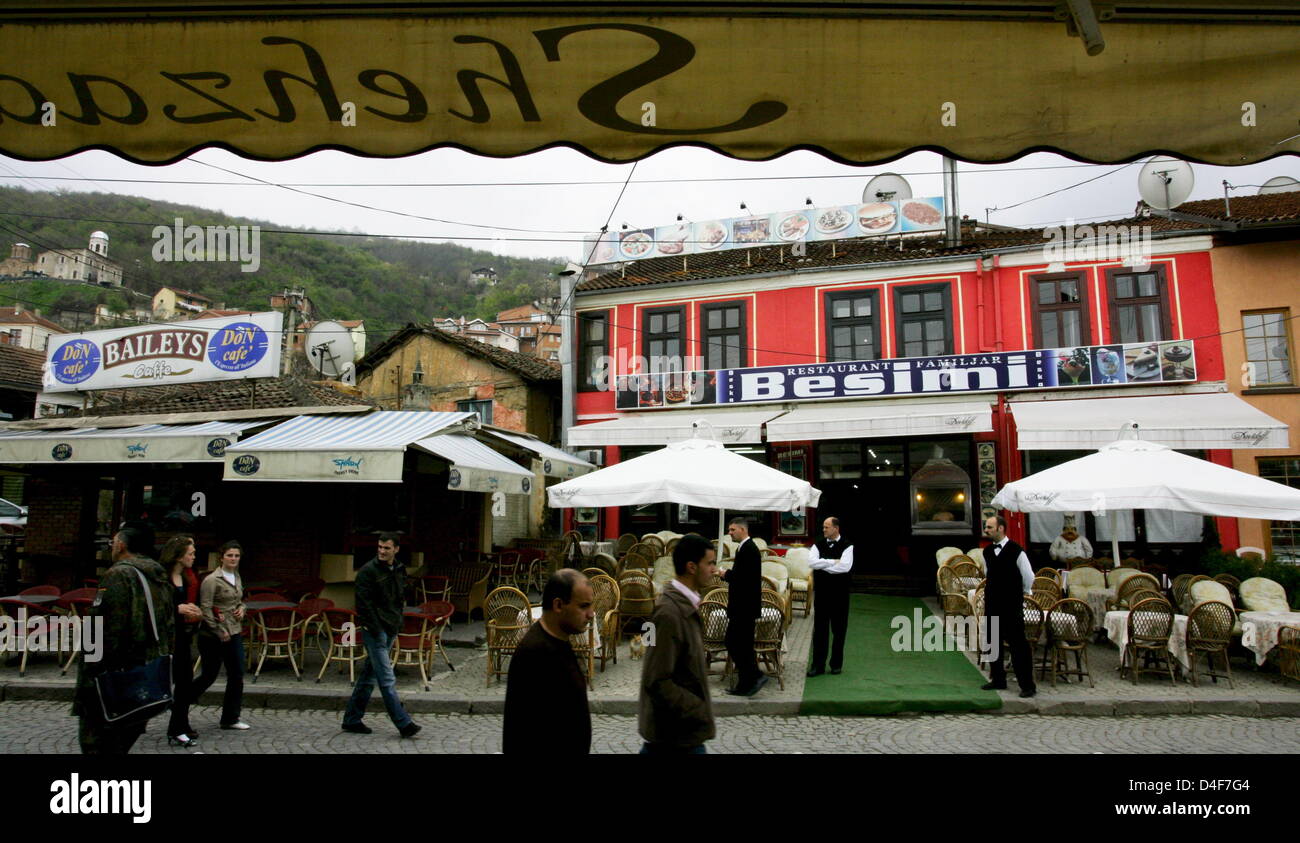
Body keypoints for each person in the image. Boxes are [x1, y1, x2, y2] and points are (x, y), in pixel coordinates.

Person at [72, 526, 173, 755]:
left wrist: (90, 675)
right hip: (143, 674)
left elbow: (103, 630)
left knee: (98, 744)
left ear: (121, 545)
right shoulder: (157, 576)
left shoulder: (119, 575)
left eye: (113, 542)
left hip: (113, 678)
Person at [639, 534, 718, 754]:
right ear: (692, 567)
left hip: (682, 735)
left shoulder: (685, 606)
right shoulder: (669, 613)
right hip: (673, 737)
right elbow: (656, 679)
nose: (714, 569)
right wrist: (698, 708)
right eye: (710, 563)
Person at [502, 568, 594, 754]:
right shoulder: (534, 653)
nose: (591, 614)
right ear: (559, 605)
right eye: (583, 606)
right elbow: (522, 731)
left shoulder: (561, 640)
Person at [342, 532, 421, 738]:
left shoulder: (399, 569)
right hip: (375, 631)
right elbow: (363, 604)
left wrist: (396, 623)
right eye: (379, 547)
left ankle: (351, 719)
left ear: (396, 549)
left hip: (390, 628)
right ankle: (403, 723)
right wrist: (375, 629)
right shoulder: (368, 571)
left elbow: (398, 598)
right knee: (387, 678)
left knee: (368, 676)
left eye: (386, 548)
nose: (382, 551)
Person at [192, 539, 250, 730]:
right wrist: (217, 630)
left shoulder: (237, 576)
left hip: (234, 631)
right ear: (222, 557)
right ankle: (182, 701)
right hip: (213, 634)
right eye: (230, 555)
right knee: (209, 675)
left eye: (236, 556)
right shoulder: (211, 580)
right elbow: (205, 607)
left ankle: (230, 717)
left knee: (237, 674)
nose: (233, 559)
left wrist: (242, 609)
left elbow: (239, 600)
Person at [980, 515, 1037, 698]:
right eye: (986, 527)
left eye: (989, 527)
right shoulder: (987, 551)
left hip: (1011, 604)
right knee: (992, 641)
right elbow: (988, 574)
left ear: (1001, 528)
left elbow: (1028, 576)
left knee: (1017, 644)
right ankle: (998, 679)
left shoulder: (1016, 550)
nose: (986, 530)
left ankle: (1027, 685)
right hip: (992, 602)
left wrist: (1022, 592)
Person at [161, 535, 202, 747]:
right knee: (172, 682)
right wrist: (178, 609)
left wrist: (194, 611)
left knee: (185, 682)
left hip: (183, 637)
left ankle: (180, 725)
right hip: (166, 639)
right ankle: (176, 728)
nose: (194, 557)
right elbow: (157, 607)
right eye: (191, 553)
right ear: (178, 556)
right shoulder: (162, 578)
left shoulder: (186, 578)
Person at [722, 516, 765, 696]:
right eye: (729, 530)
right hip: (743, 606)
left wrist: (725, 574)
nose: (729, 533)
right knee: (740, 644)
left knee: (736, 643)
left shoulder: (749, 549)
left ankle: (752, 679)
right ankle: (749, 680)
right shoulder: (745, 548)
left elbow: (744, 579)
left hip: (744, 607)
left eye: (732, 530)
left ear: (743, 530)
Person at [806, 516, 853, 677]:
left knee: (839, 631)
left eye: (827, 527)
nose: (823, 529)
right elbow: (812, 563)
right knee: (819, 630)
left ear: (836, 528)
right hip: (822, 594)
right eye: (823, 527)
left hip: (840, 595)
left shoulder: (848, 545)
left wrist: (823, 565)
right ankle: (817, 665)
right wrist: (833, 562)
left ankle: (836, 664)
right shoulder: (817, 544)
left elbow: (845, 567)